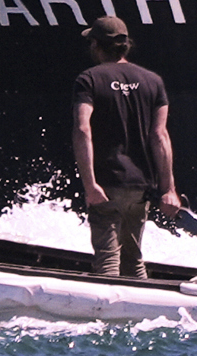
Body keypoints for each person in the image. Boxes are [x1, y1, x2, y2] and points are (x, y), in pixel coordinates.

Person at [72, 15, 180, 277]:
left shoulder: (89, 79)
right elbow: (160, 136)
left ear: (97, 45)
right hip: (140, 187)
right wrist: (169, 189)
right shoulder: (153, 81)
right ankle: (143, 313)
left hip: (106, 184)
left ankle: (109, 316)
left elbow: (82, 129)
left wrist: (90, 184)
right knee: (133, 261)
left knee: (108, 262)